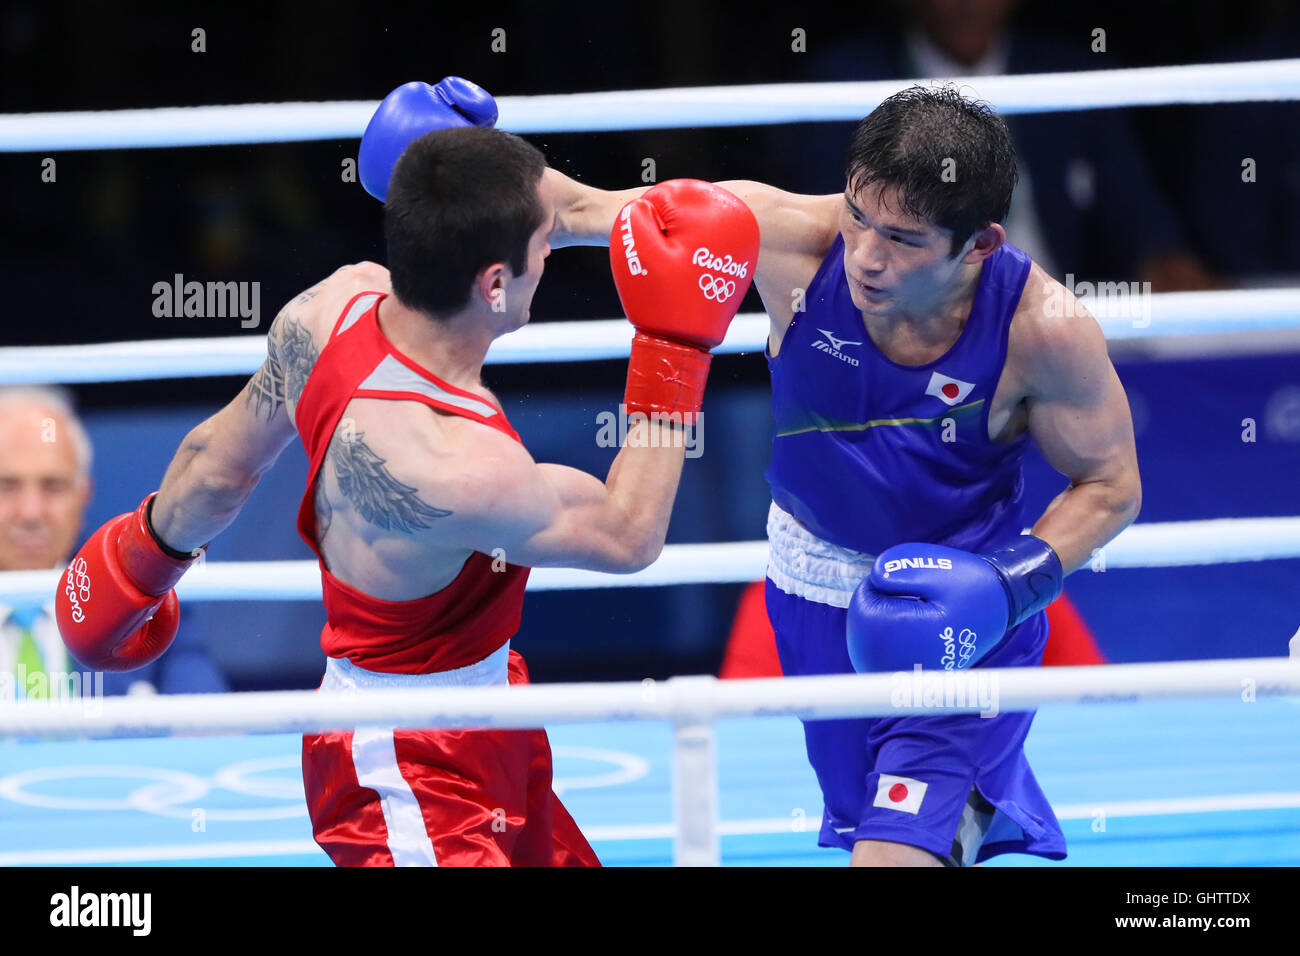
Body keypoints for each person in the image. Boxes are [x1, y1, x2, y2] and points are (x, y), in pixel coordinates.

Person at [54, 78, 760, 866]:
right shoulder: (460, 466)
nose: (552, 255)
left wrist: (137, 569)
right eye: (545, 250)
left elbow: (213, 472)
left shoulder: (330, 309)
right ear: (496, 283)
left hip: (486, 716)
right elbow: (629, 535)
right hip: (410, 764)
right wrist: (677, 346)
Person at [548, 84, 1142, 866]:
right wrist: (448, 162)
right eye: (859, 215)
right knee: (881, 834)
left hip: (961, 624)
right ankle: (970, 812)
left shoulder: (1042, 329)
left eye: (902, 239)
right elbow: (575, 210)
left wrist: (1005, 585)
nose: (865, 253)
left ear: (980, 244)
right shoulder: (784, 239)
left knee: (895, 854)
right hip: (807, 597)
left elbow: (1112, 486)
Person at [0, 385, 225, 700]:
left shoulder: (144, 597)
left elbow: (212, 726)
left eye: (53, 486)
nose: (31, 512)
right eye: (7, 486)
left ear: (83, 494)